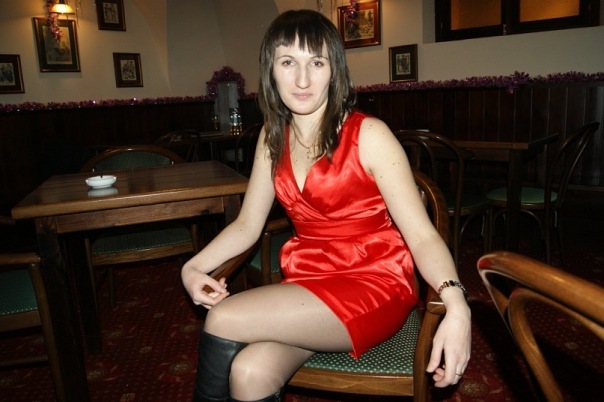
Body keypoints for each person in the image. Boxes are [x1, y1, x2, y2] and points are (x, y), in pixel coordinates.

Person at [181, 9, 471, 402]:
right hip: (309, 279)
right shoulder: (272, 137)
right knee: (250, 372)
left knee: (223, 316)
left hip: (374, 281)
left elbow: (421, 235)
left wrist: (456, 302)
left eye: (316, 63)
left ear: (334, 71)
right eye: (288, 62)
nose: (302, 80)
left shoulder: (370, 135)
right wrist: (192, 267)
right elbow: (247, 225)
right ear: (270, 71)